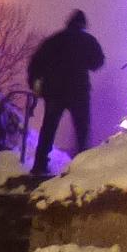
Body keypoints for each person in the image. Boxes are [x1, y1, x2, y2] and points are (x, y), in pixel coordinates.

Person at [27, 10, 105, 175]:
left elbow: (36, 62)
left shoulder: (55, 40)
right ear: (83, 24)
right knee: (82, 130)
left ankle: (40, 165)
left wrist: (34, 83)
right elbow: (98, 62)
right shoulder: (87, 40)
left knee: (49, 127)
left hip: (54, 91)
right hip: (78, 91)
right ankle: (81, 167)